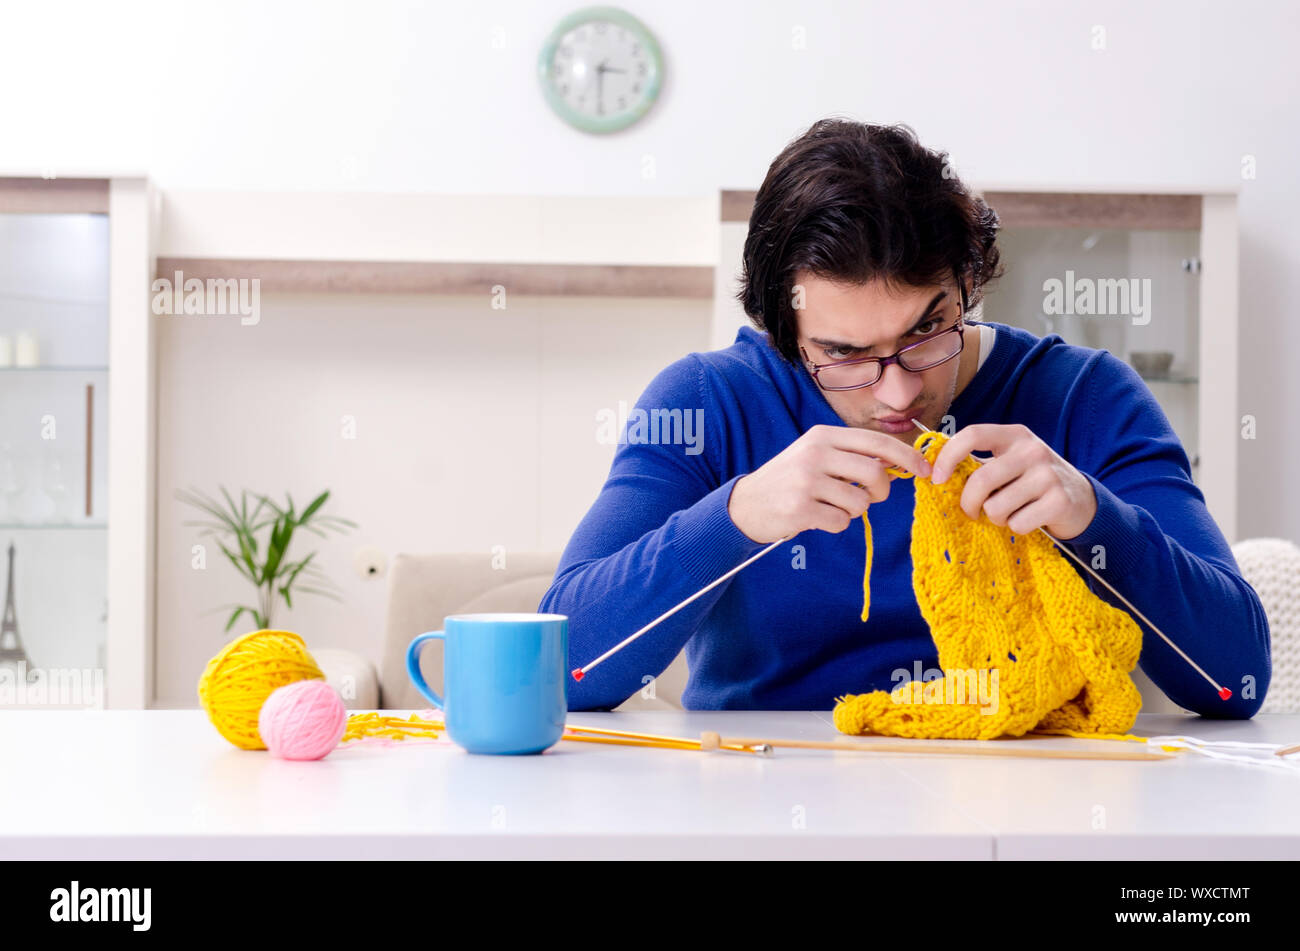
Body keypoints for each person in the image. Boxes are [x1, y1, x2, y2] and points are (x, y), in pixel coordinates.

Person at [540, 117, 1270, 716]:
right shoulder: (706, 402)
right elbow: (563, 670)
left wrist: (1094, 518)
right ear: (782, 331)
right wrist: (736, 515)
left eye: (926, 334)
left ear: (970, 284)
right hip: (762, 799)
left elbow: (1236, 680)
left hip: (1031, 795)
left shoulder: (1086, 396)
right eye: (844, 353)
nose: (896, 395)